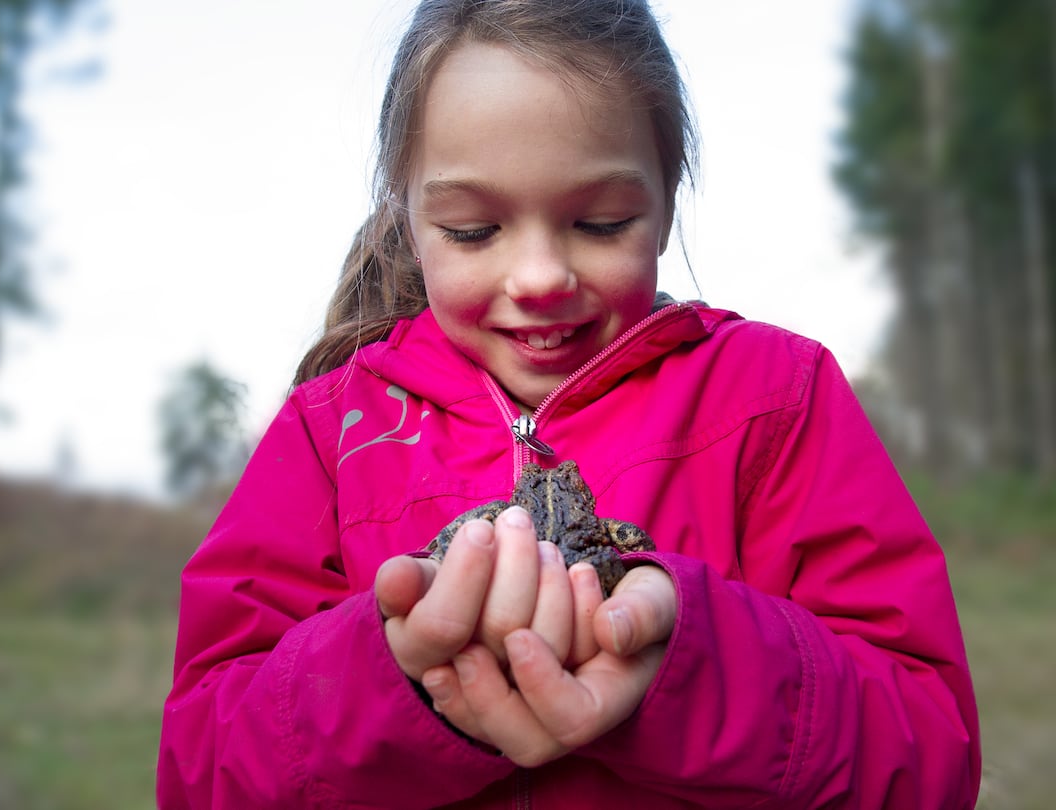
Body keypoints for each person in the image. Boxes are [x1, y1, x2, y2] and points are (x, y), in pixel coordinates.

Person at [157, 1, 982, 807]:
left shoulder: (775, 394)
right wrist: (403, 678)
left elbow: (929, 752)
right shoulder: (330, 428)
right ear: (409, 222)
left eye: (600, 221)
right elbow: (202, 771)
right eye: (474, 232)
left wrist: (686, 662)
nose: (541, 277)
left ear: (665, 204)